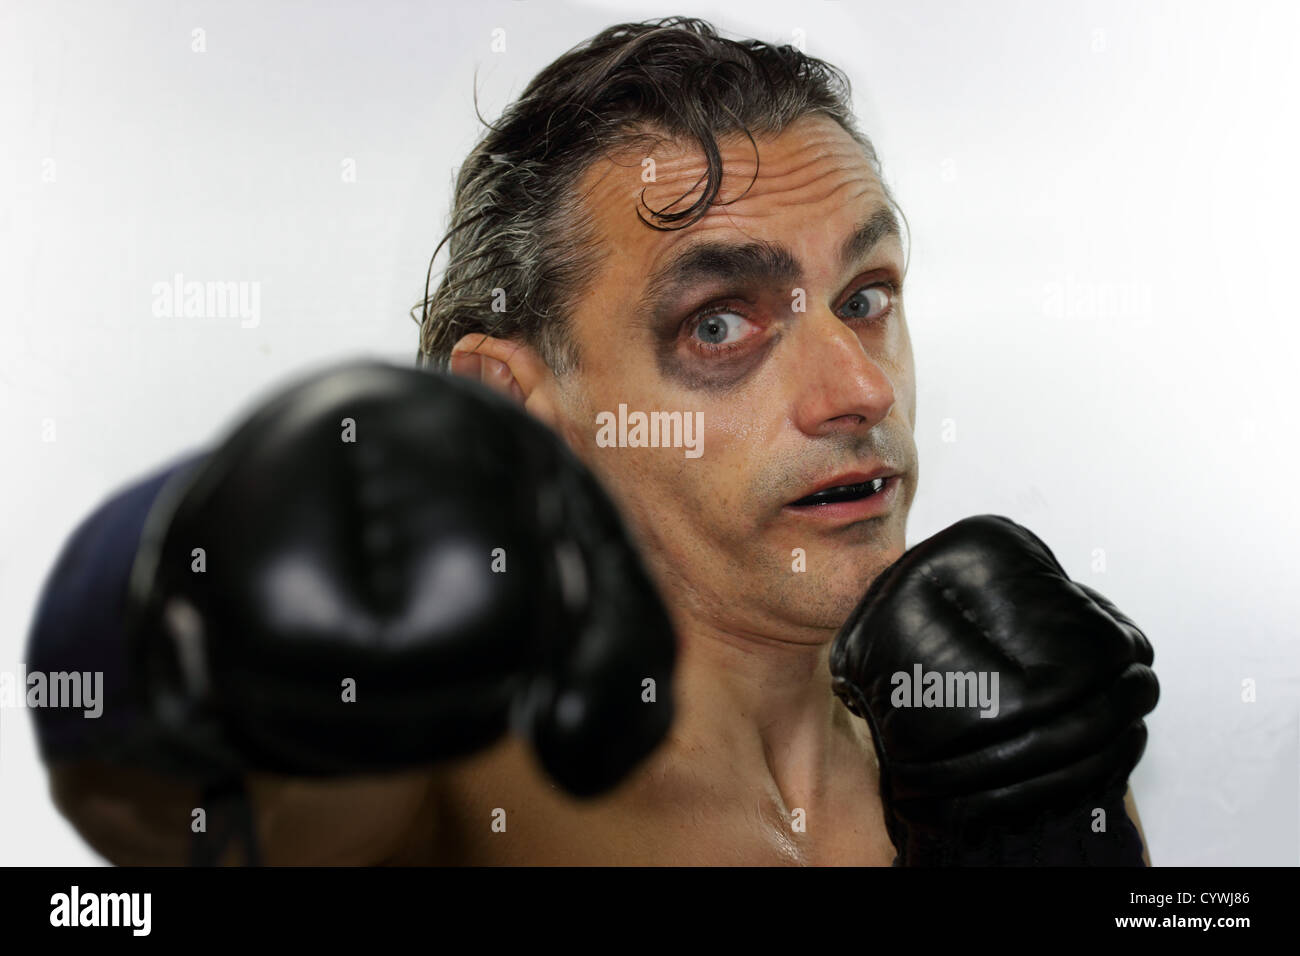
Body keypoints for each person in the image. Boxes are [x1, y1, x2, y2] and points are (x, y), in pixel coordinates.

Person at [27, 17, 1156, 866]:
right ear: (514, 409)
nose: (857, 388)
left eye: (862, 296)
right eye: (719, 322)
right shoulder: (440, 796)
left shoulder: (991, 740)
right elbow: (121, 780)